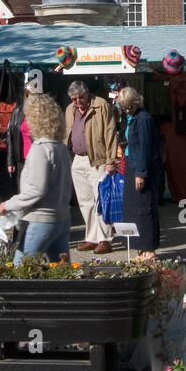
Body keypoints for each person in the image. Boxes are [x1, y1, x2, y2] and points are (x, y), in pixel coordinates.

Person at [0, 94, 74, 264]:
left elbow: (36, 190)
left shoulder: (40, 148)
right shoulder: (60, 147)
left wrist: (8, 204)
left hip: (41, 219)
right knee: (63, 273)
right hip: (62, 217)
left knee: (20, 268)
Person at [64, 81, 117, 254]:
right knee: (85, 201)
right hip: (78, 159)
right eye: (74, 98)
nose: (78, 101)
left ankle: (105, 239)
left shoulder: (101, 105)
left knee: (101, 200)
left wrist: (111, 160)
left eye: (81, 97)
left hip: (98, 159)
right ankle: (92, 237)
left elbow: (110, 132)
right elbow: (67, 132)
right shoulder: (70, 109)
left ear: (87, 94)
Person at [117, 87, 164, 252]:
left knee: (144, 209)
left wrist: (141, 173)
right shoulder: (131, 118)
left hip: (141, 168)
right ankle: (140, 248)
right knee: (133, 210)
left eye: (130, 106)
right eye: (124, 107)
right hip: (132, 164)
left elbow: (145, 147)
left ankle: (148, 249)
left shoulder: (143, 118)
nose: (127, 110)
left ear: (136, 102)